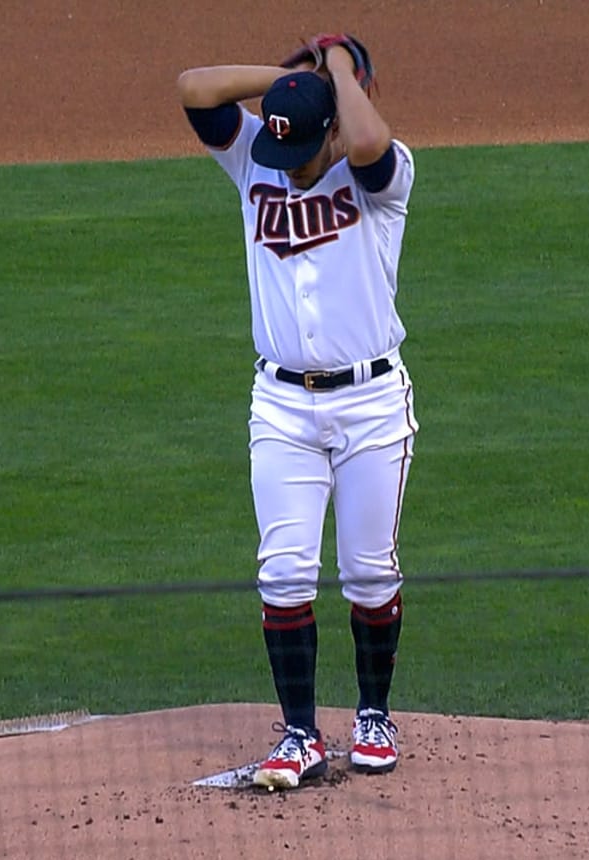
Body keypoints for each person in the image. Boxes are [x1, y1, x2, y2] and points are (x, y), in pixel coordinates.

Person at [176, 38, 417, 790]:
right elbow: (194, 85)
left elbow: (369, 140)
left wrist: (339, 72)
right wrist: (288, 81)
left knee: (369, 573)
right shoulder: (257, 155)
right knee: (283, 574)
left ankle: (373, 714)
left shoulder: (383, 176)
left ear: (334, 130)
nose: (294, 167)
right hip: (281, 405)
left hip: (372, 402)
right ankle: (301, 735)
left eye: (310, 148)